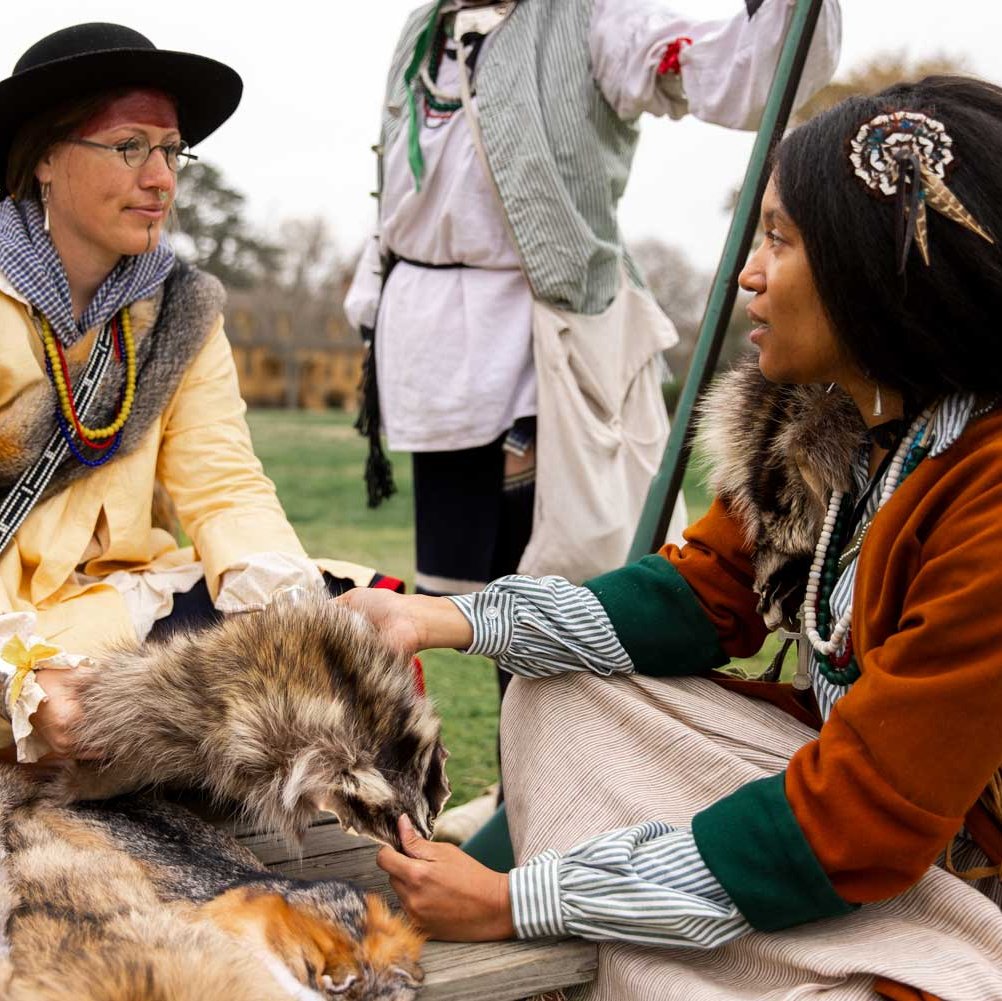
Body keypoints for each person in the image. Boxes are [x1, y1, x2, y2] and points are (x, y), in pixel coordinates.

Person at [342, 75, 1002, 1000]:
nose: (747, 275)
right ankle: (679, 936)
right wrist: (438, 620)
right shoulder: (825, 424)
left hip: (948, 857)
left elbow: (865, 814)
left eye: (779, 239)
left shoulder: (990, 494)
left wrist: (520, 901)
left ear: (873, 270)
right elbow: (696, 597)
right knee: (557, 691)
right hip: (858, 813)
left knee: (676, 953)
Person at [344, 0, 842, 824]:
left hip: (549, 342)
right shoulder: (422, 30)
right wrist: (376, 298)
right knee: (481, 588)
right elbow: (397, 188)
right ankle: (518, 794)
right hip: (435, 351)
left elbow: (746, 76)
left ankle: (568, 800)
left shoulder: (594, 18)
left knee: (561, 574)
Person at [0, 23, 387, 764]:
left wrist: (293, 621)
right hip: (14, 636)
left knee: (347, 616)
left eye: (171, 150)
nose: (161, 179)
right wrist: (19, 681)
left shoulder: (182, 308)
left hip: (117, 612)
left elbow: (225, 485)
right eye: (129, 147)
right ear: (45, 155)